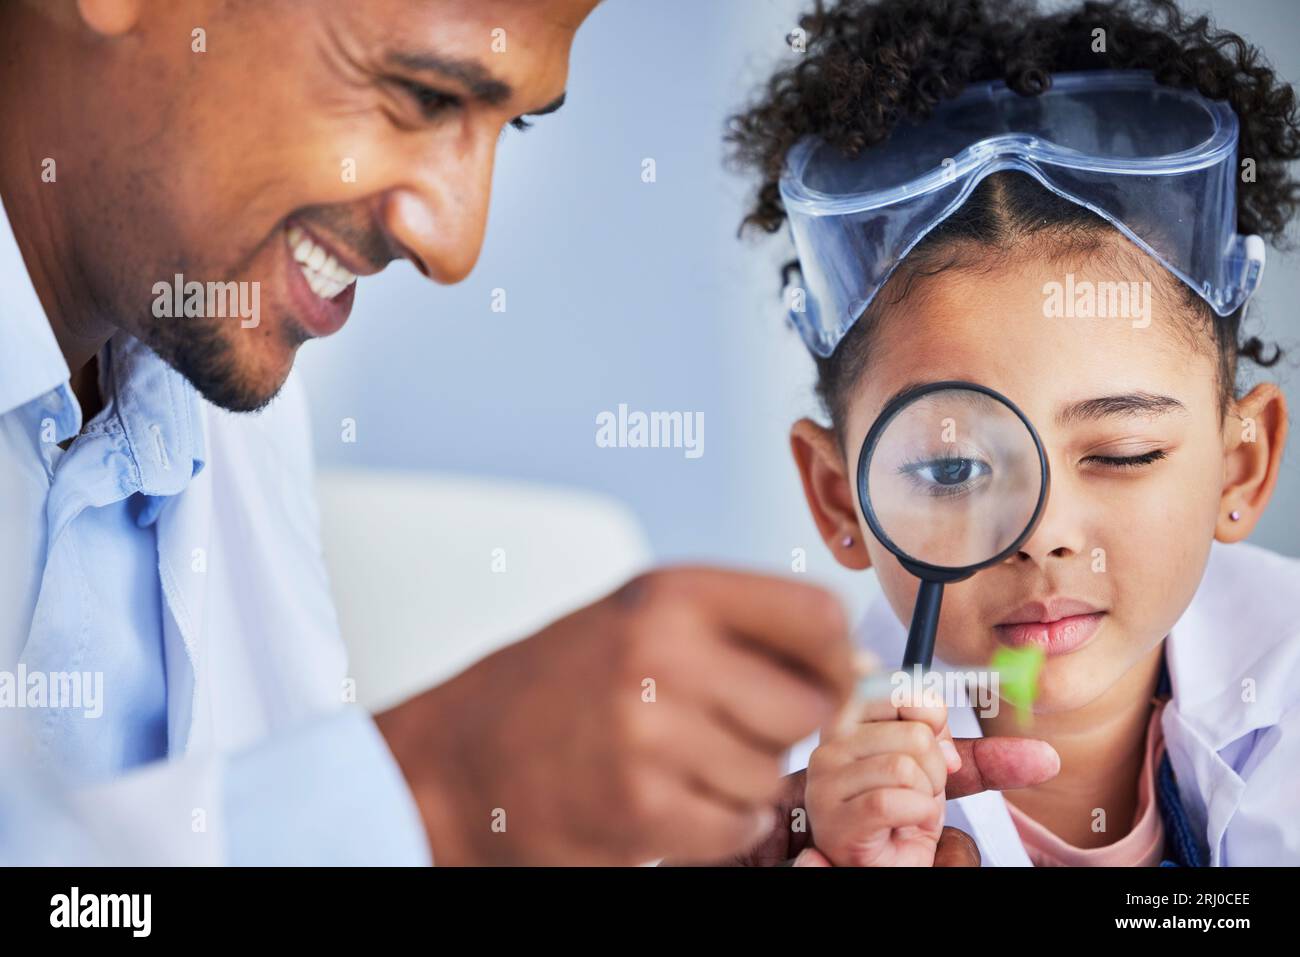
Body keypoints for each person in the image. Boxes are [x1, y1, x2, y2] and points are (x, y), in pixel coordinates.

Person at [0, 0, 1057, 865]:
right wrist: (444, 795)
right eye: (421, 92)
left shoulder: (210, 361)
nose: (458, 242)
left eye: (515, 124)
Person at [725, 0, 1300, 865]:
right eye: (953, 468)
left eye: (1122, 454)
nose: (1040, 537)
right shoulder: (778, 798)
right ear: (842, 496)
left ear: (1239, 468)